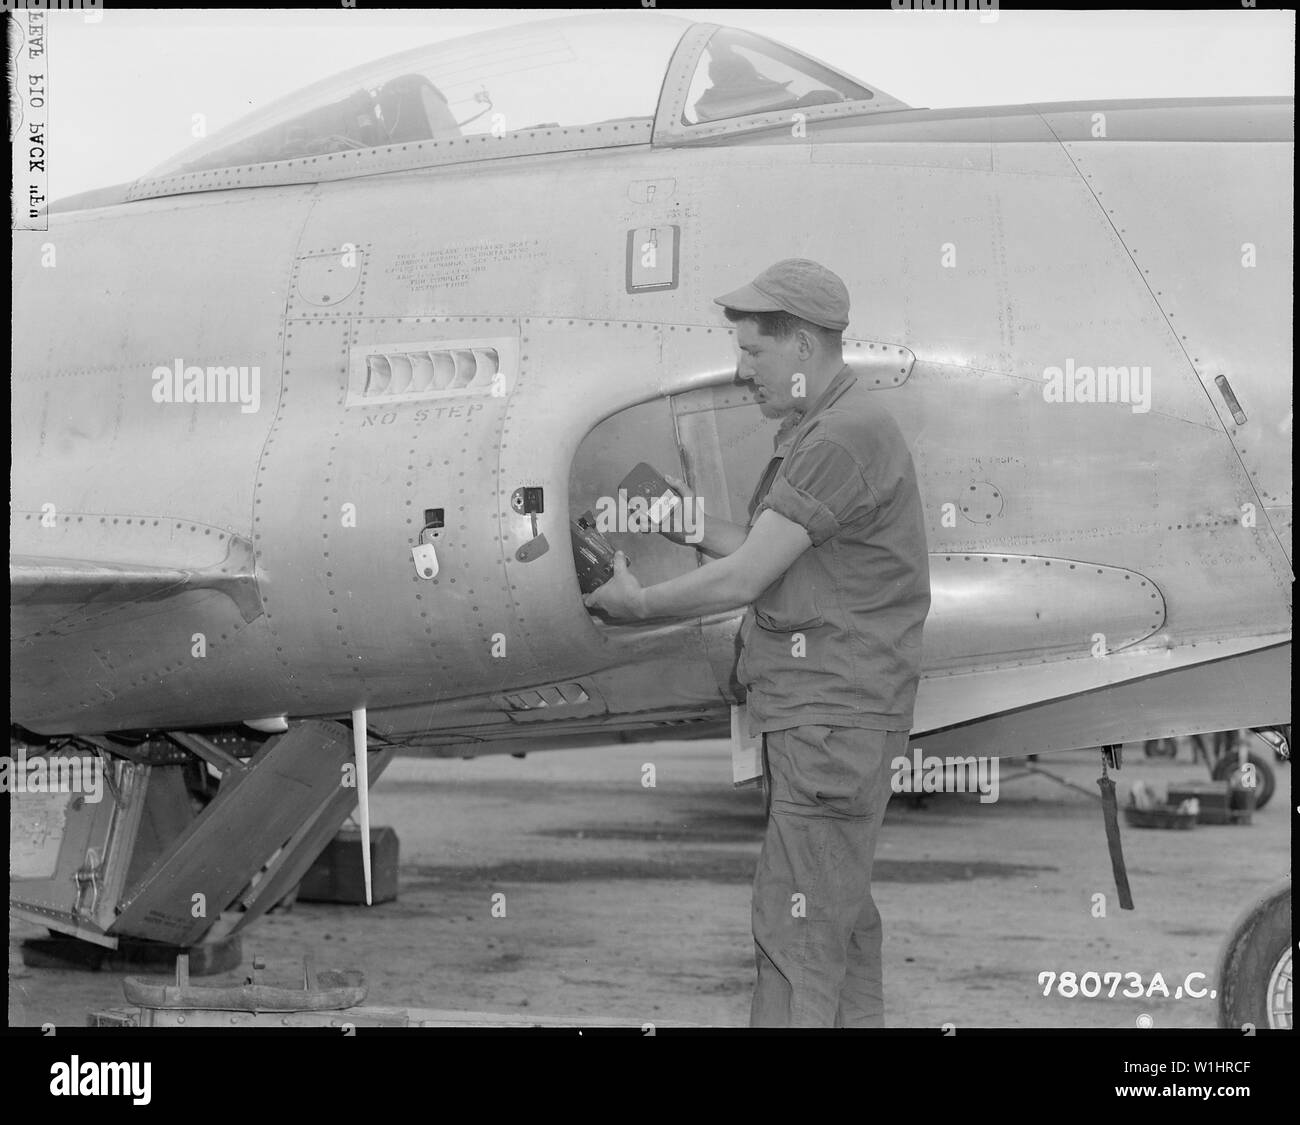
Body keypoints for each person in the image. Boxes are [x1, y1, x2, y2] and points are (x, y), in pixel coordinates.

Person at [583, 258, 930, 1027]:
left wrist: (636, 604)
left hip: (829, 719)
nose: (742, 372)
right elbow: (771, 549)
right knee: (839, 921)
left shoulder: (839, 437)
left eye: (754, 353)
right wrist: (686, 522)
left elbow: (745, 578)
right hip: (829, 717)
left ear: (803, 344)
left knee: (797, 928)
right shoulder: (828, 428)